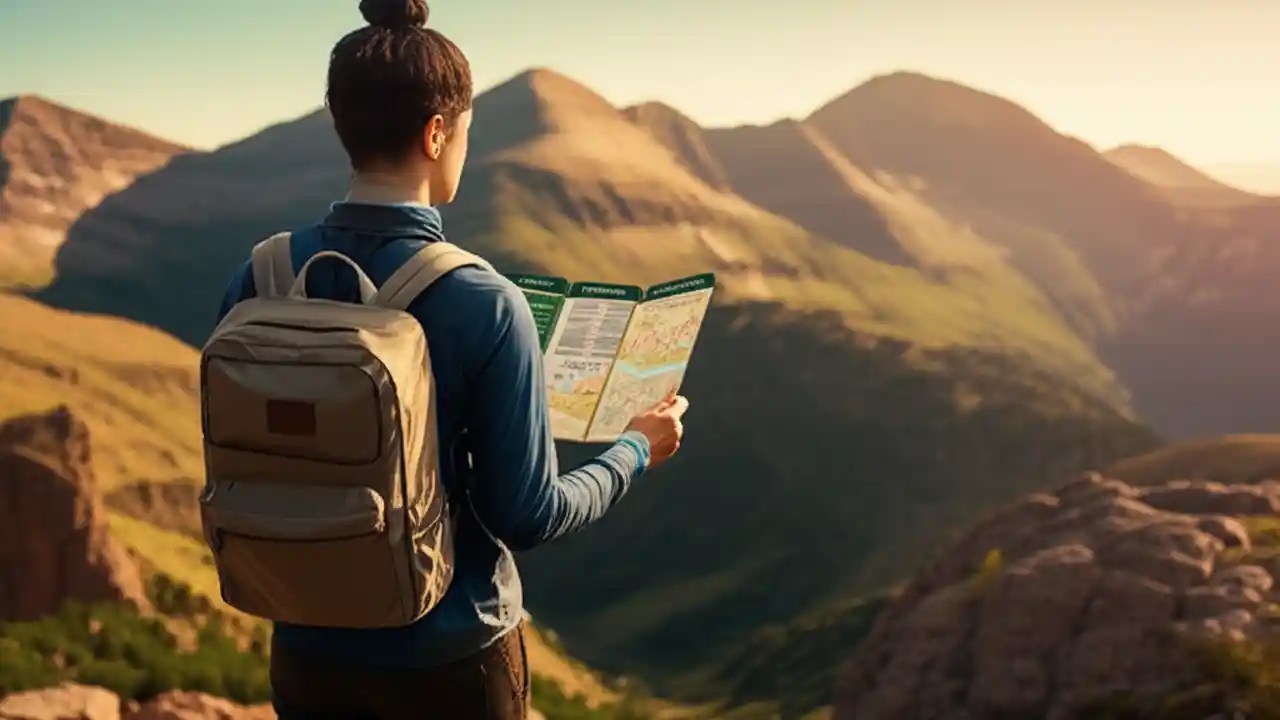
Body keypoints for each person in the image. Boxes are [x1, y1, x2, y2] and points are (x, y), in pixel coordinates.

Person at [213, 1, 689, 717]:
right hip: (451, 656)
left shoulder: (260, 276)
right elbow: (527, 516)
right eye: (465, 131)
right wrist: (633, 449)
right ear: (437, 133)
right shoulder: (484, 302)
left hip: (307, 653)